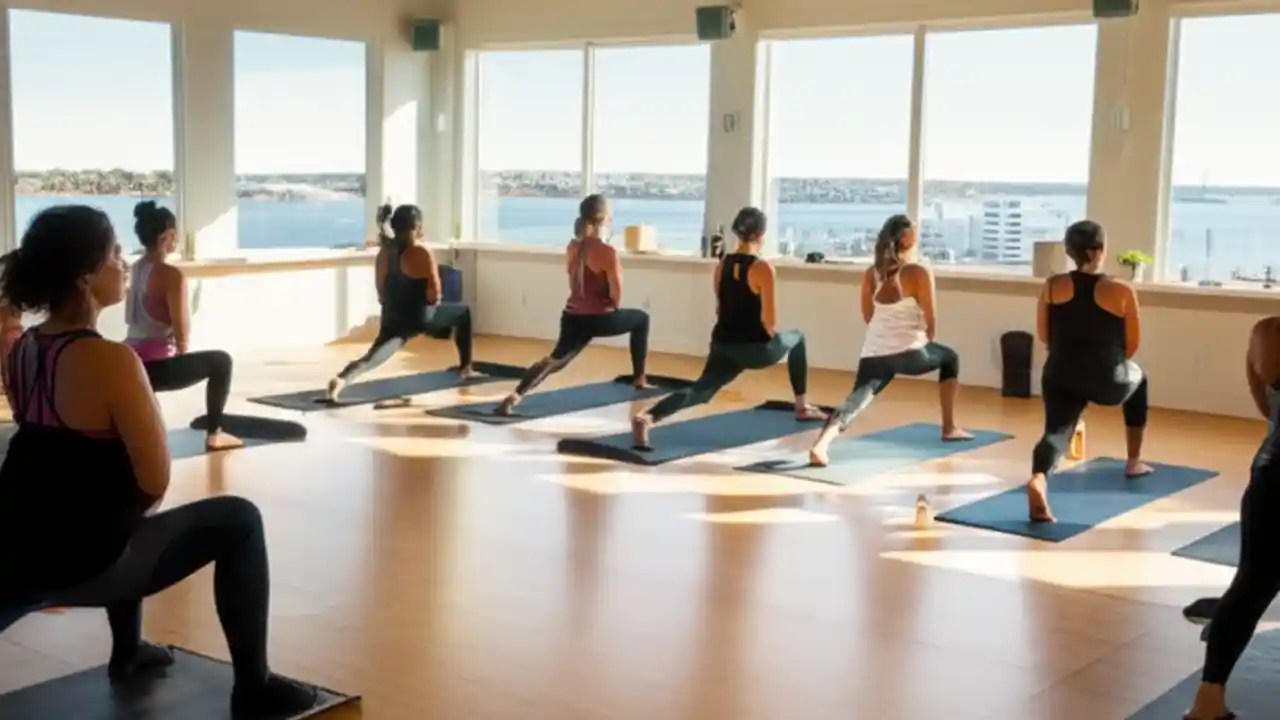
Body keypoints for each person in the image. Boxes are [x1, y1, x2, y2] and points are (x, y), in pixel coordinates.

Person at [0, 206, 316, 718]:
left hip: (18, 545)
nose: (123, 264)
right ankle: (254, 688)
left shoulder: (22, 350)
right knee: (239, 520)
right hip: (77, 564)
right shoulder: (111, 360)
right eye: (113, 254)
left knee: (111, 493)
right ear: (85, 276)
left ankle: (128, 650)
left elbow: (50, 457)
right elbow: (154, 480)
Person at [631, 207, 826, 449]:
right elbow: (769, 322)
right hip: (755, 349)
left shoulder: (722, 265)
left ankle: (648, 417)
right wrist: (772, 343)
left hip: (722, 344)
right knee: (797, 337)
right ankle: (802, 406)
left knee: (700, 391)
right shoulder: (763, 268)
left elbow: (720, 308)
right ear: (761, 235)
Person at [807, 215, 972, 467]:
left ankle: (821, 446)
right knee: (950, 358)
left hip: (874, 353)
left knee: (855, 401)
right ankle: (949, 428)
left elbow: (868, 316)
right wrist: (924, 338)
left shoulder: (871, 274)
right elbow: (931, 319)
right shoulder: (919, 272)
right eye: (914, 230)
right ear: (906, 239)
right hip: (910, 353)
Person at [1182, 317, 1280, 720]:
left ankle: (1208, 699)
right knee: (1253, 586)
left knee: (1252, 585)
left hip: (1272, 474)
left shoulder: (1267, 333)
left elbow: (1267, 408)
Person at [1026, 220, 1151, 522]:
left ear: (1070, 251)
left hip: (1059, 374)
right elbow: (1132, 345)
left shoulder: (1052, 286)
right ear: (1098, 251)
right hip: (1106, 379)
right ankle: (1133, 461)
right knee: (1140, 378)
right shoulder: (1121, 289)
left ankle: (1038, 478)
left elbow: (1043, 335)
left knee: (1056, 434)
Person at [497, 195, 651, 415]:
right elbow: (616, 292)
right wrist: (612, 307)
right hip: (599, 318)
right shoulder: (607, 252)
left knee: (555, 360)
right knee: (641, 319)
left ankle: (516, 395)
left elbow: (573, 281)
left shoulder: (572, 247)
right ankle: (640, 378)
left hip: (572, 316)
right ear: (604, 217)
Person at [327, 204, 475, 402]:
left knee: (373, 357)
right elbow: (435, 296)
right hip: (419, 317)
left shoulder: (384, 253)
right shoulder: (422, 252)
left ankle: (342, 379)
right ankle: (466, 367)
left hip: (392, 317)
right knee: (463, 313)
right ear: (417, 227)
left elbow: (381, 293)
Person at [126, 201, 242, 451]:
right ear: (165, 237)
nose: (177, 239)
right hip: (156, 369)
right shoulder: (171, 275)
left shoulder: (134, 269)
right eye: (174, 234)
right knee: (221, 362)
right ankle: (214, 435)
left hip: (130, 362)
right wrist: (181, 353)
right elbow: (181, 330)